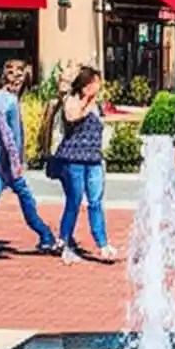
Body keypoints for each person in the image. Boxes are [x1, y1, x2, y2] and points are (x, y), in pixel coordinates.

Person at [0, 60, 60, 266]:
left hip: (3, 162)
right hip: (1, 163)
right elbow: (6, 135)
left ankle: (47, 237)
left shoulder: (2, 99)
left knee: (26, 200)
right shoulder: (5, 100)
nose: (20, 81)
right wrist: (15, 163)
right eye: (19, 77)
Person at [54, 66, 117, 264]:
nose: (98, 86)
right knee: (74, 201)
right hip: (74, 159)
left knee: (96, 201)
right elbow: (72, 117)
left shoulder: (98, 105)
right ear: (85, 85)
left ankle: (102, 243)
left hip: (94, 160)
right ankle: (64, 240)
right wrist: (86, 101)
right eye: (95, 82)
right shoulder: (72, 101)